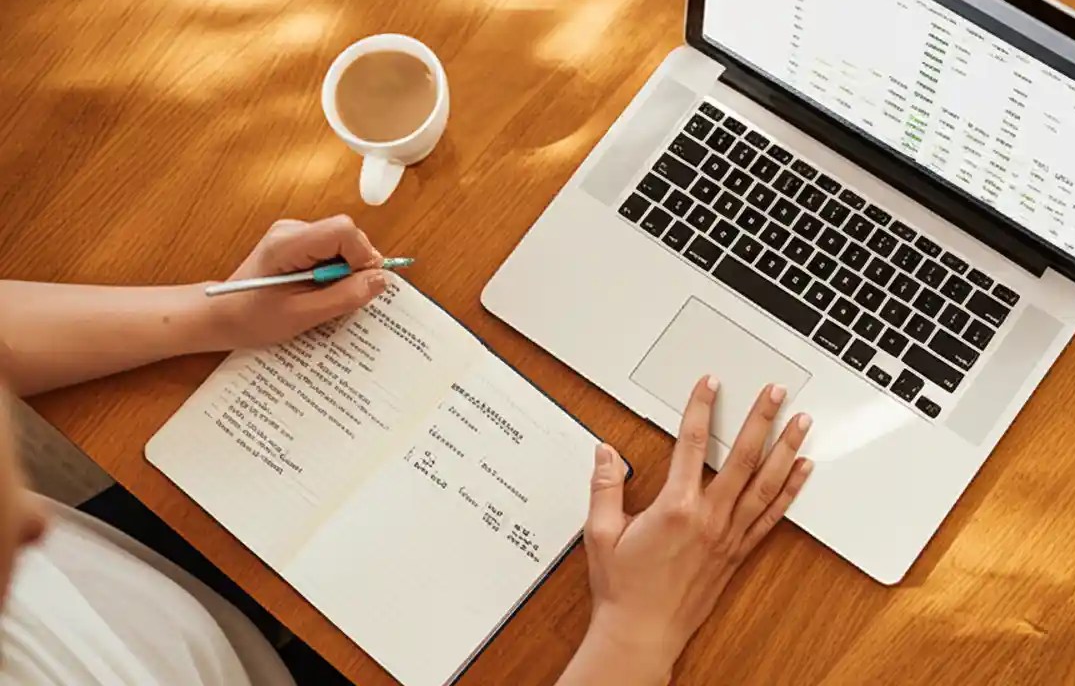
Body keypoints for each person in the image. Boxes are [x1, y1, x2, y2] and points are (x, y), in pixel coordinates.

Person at [0, 215, 813, 685]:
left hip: (158, 607)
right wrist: (636, 633)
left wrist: (214, 315)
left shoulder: (40, 559)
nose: (40, 524)